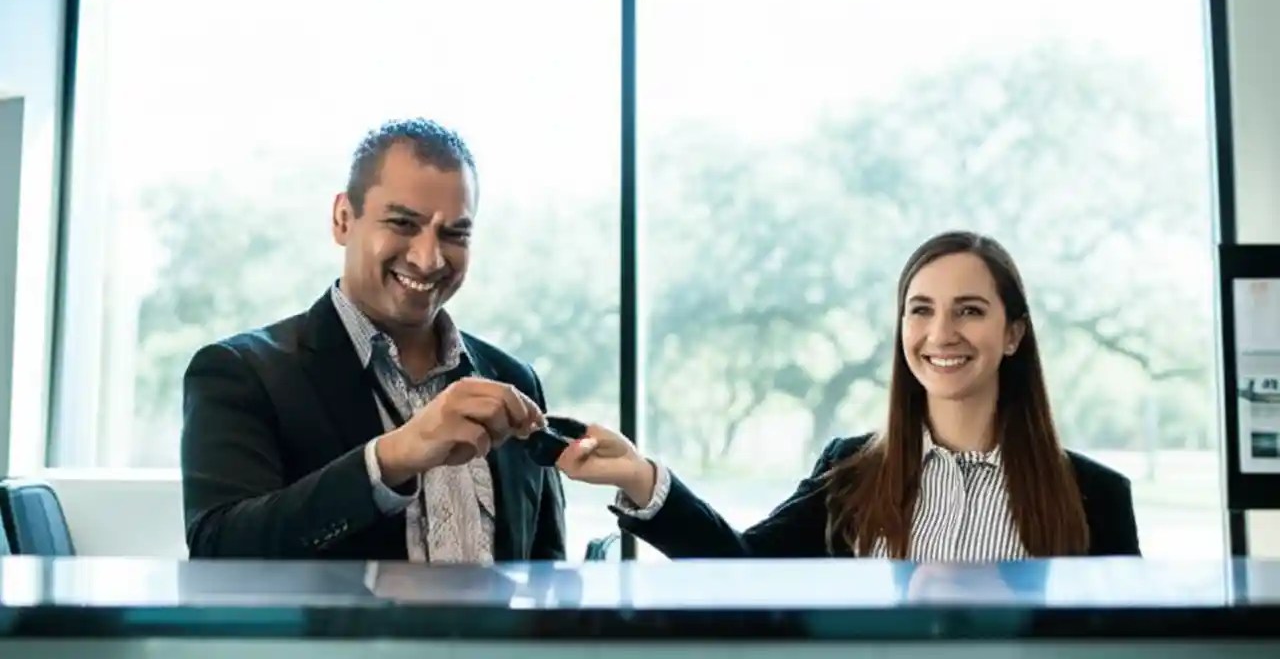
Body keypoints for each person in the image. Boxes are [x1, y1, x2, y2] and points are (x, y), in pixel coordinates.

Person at [558, 230, 1140, 560]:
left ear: (1012, 333)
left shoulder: (1096, 497)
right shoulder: (852, 473)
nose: (941, 333)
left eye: (969, 311)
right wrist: (639, 477)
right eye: (921, 310)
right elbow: (742, 569)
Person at [182, 118, 566, 561]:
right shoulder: (240, 373)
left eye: (455, 233)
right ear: (343, 219)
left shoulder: (514, 380)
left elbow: (548, 573)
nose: (428, 258)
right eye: (403, 223)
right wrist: (391, 459)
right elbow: (218, 549)